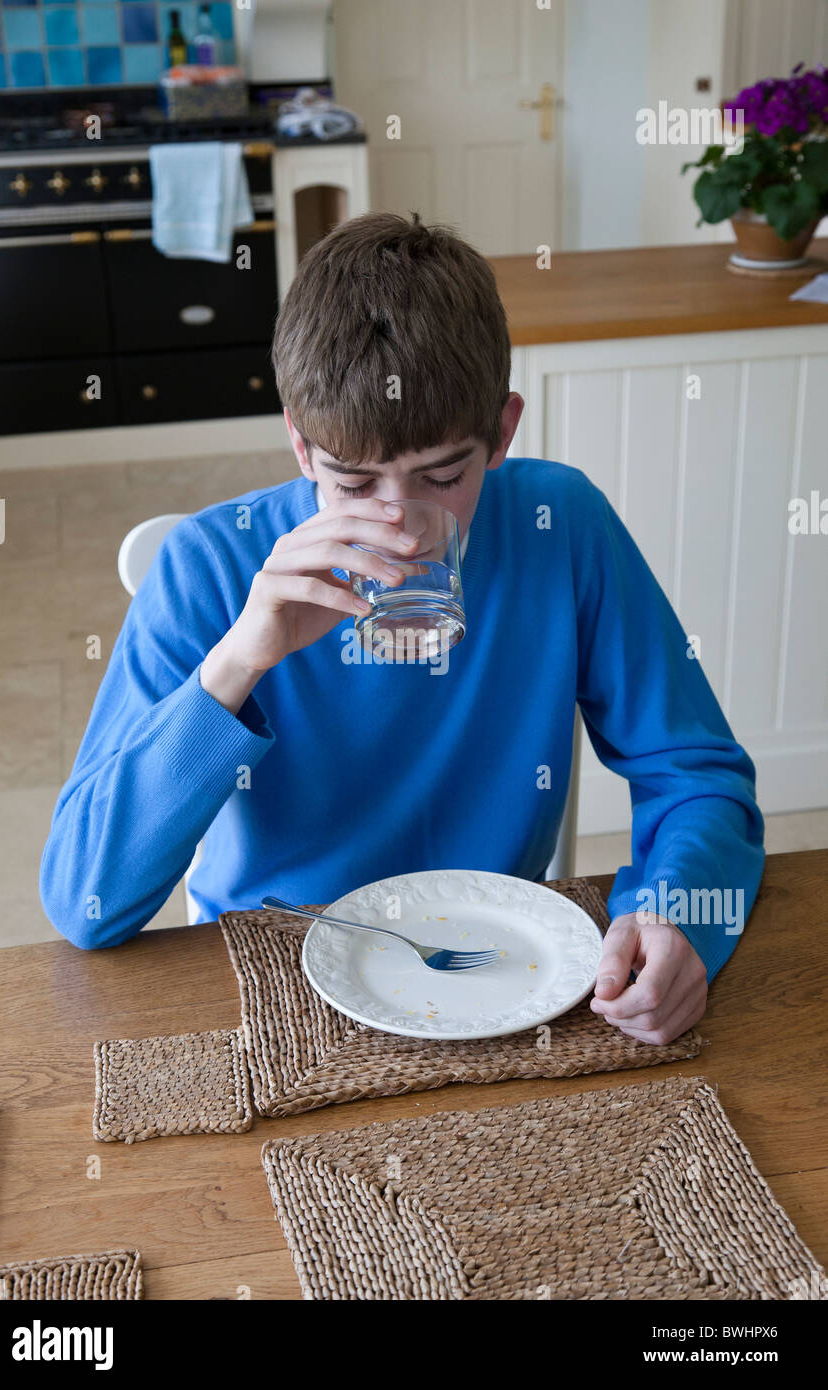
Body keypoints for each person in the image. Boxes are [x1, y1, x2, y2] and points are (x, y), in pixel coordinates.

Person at [40, 211, 765, 1046]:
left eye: (443, 476)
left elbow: (697, 773)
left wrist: (674, 915)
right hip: (273, 987)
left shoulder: (560, 525)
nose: (403, 527)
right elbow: (85, 901)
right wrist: (238, 662)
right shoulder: (206, 566)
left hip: (502, 983)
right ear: (301, 447)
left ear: (502, 432)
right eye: (353, 483)